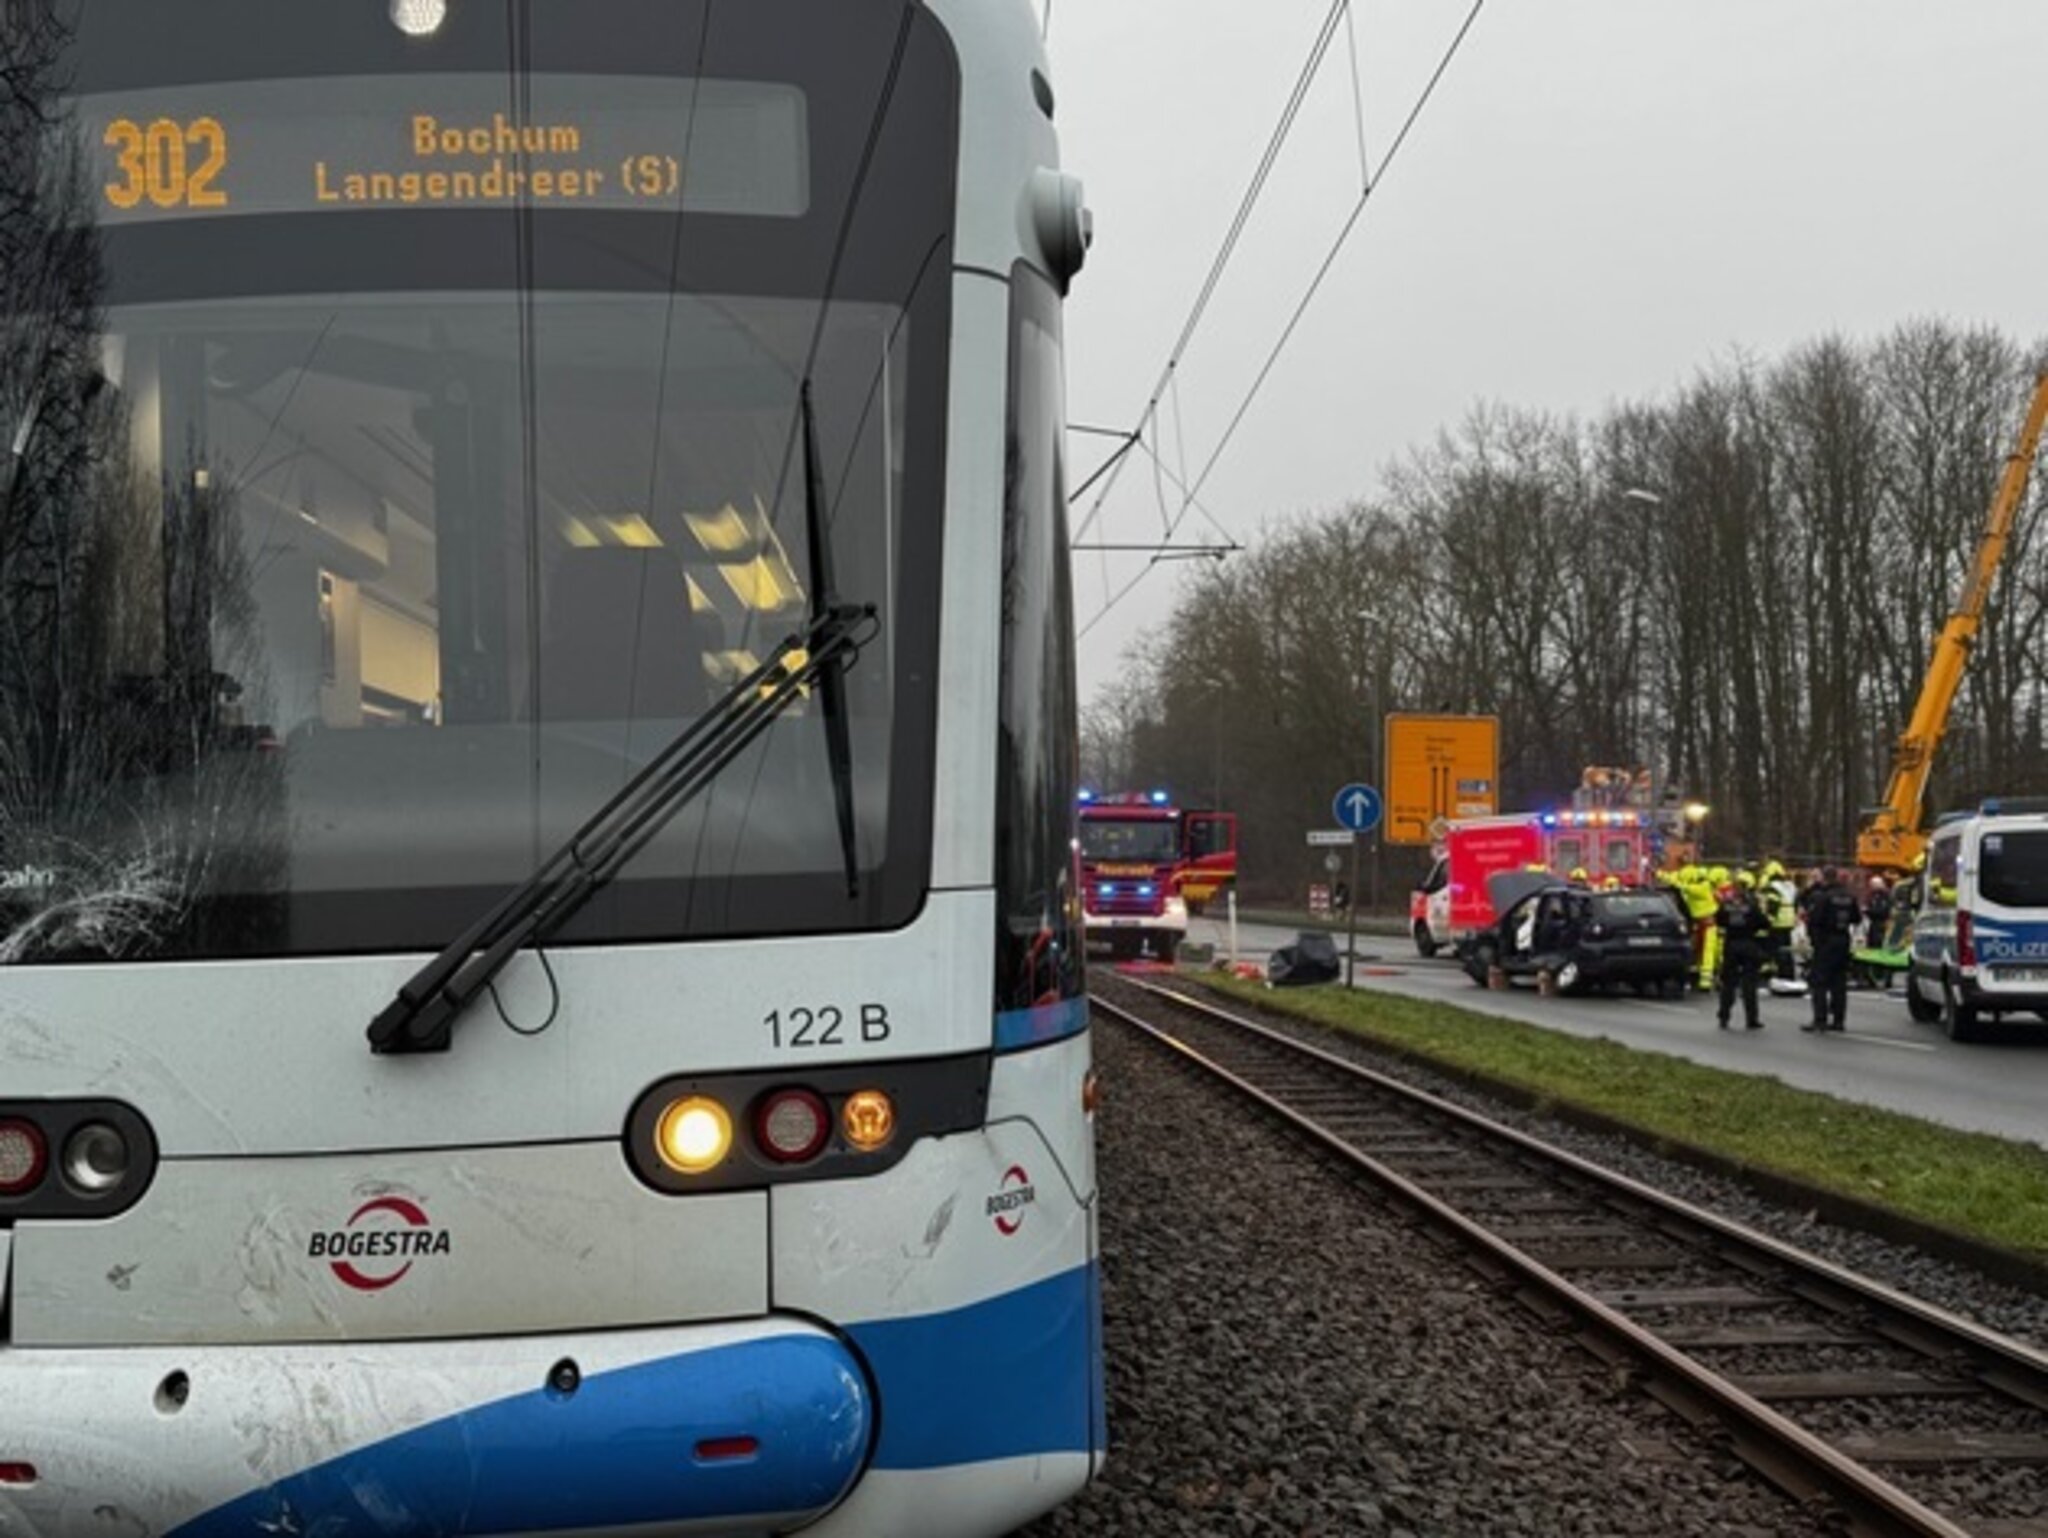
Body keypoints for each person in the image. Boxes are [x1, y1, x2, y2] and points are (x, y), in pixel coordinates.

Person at [1801, 866, 1861, 1033]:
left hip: (1826, 941)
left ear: (1825, 879)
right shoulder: (1849, 896)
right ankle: (1839, 1020)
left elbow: (1815, 921)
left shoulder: (1823, 897)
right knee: (1839, 982)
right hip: (1843, 939)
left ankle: (1820, 1020)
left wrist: (1814, 940)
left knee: (1819, 982)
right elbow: (1856, 918)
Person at [1714, 871, 1769, 1030]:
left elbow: (1719, 921)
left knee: (1728, 984)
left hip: (1731, 945)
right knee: (1749, 984)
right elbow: (1763, 923)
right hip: (1748, 945)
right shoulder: (1752, 905)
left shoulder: (1726, 904)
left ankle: (1724, 1017)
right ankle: (1751, 1019)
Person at [1864, 876, 1893, 949]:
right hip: (1874, 924)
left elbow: (1883, 911)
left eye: (1871, 885)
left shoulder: (1886, 896)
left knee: (1877, 944)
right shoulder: (1874, 896)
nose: (1870, 888)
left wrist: (1868, 911)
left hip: (1881, 925)